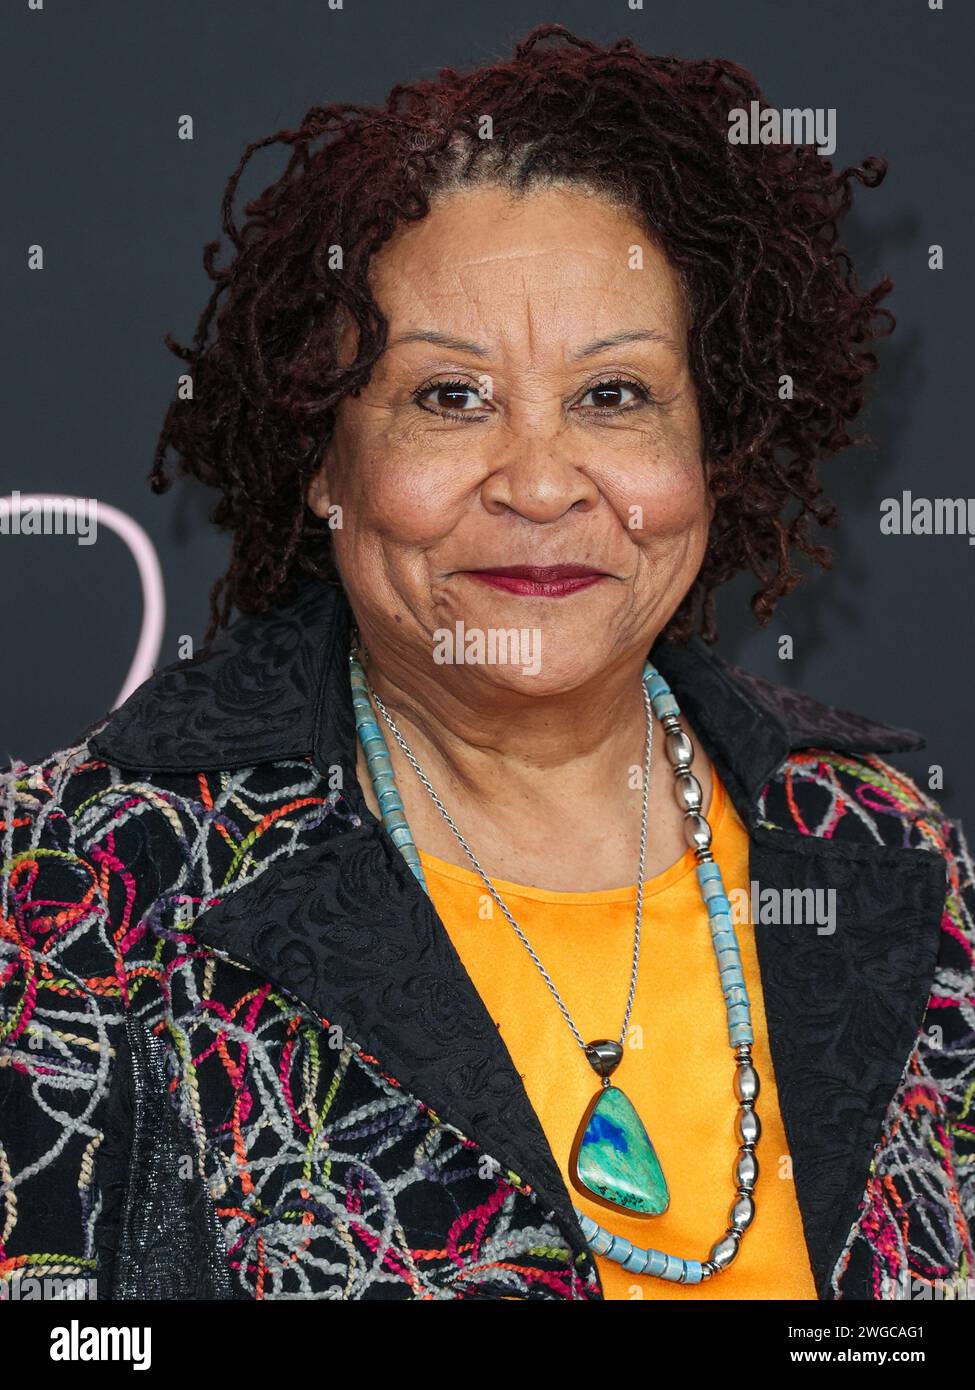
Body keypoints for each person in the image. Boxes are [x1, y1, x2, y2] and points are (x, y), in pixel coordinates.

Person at [2, 23, 971, 1302]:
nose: (538, 483)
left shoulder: (884, 845)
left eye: (614, 395)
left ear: (711, 450)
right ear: (323, 456)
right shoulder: (80, 882)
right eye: (450, 399)